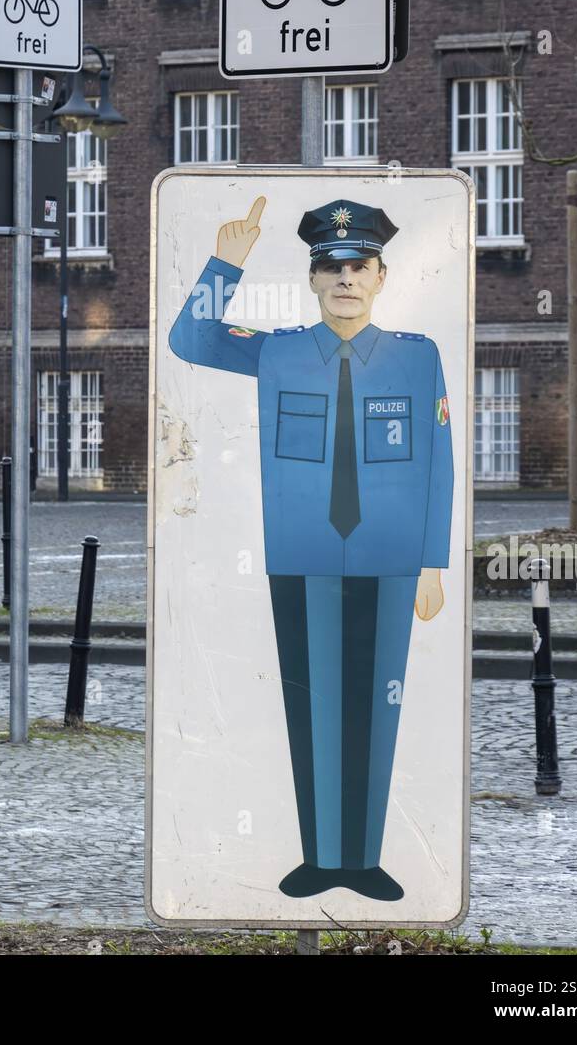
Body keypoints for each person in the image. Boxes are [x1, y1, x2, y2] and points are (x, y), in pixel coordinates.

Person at [168, 196, 453, 900]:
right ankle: (322, 858)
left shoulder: (417, 360)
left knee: (377, 708)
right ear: (312, 281)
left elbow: (439, 462)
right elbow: (192, 339)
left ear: (383, 276)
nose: (346, 279)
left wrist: (433, 562)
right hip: (302, 554)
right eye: (332, 268)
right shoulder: (280, 352)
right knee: (316, 705)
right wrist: (224, 262)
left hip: (390, 558)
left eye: (360, 267)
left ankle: (364, 860)